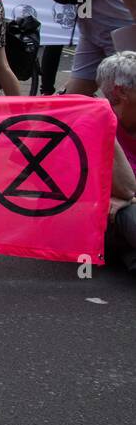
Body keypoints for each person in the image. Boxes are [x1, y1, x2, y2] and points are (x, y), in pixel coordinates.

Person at [93, 51, 136, 273]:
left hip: (124, 210)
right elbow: (126, 188)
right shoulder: (94, 124)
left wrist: (131, 200)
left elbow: (128, 195)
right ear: (121, 92)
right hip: (104, 220)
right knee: (128, 215)